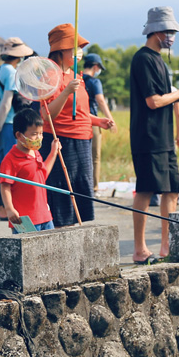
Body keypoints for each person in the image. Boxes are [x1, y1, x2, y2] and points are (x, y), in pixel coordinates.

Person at [130, 6, 179, 263]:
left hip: (165, 138)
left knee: (172, 191)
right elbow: (153, 101)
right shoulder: (143, 59)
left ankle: (166, 245)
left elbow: (164, 95)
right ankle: (139, 249)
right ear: (156, 31)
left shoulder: (159, 60)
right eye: (169, 31)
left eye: (173, 32)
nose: (172, 36)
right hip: (147, 137)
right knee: (146, 190)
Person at [42, 24, 116, 227]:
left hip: (82, 140)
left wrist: (98, 121)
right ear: (61, 49)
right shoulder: (50, 75)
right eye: (75, 48)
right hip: (62, 140)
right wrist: (66, 91)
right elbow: (47, 114)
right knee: (63, 195)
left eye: (81, 48)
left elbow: (80, 113)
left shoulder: (77, 76)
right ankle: (61, 233)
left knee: (79, 192)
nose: (80, 52)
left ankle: (72, 232)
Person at [0, 37, 34, 220]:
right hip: (7, 125)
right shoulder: (12, 73)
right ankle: (11, 208)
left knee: (0, 167)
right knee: (11, 169)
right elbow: (6, 103)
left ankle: (0, 208)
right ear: (19, 56)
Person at [0, 107, 61, 232]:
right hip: (24, 220)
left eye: (41, 133)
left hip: (45, 217)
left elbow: (42, 176)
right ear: (19, 135)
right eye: (34, 134)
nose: (39, 138)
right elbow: (5, 186)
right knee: (27, 245)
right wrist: (9, 209)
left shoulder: (36, 153)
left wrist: (53, 153)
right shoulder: (10, 160)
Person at [81, 53, 115, 190]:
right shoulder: (95, 82)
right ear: (95, 66)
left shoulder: (77, 78)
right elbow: (100, 100)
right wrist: (110, 119)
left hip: (79, 120)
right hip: (93, 121)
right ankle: (94, 186)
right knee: (95, 157)